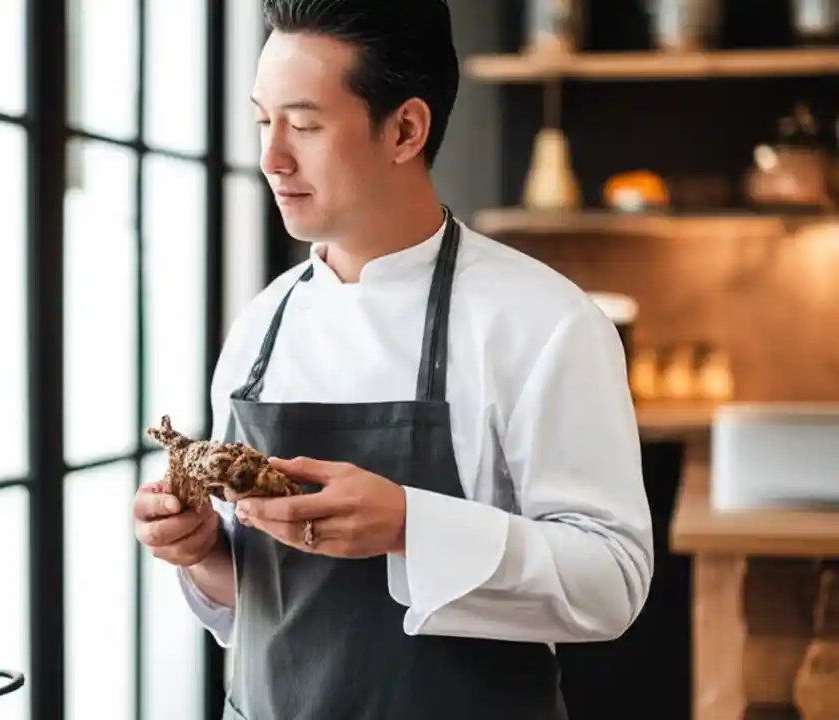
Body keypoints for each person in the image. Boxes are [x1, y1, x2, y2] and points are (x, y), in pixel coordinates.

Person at [131, 1, 654, 718]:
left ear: (405, 128)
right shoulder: (261, 325)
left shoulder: (545, 322)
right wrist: (203, 551)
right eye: (263, 120)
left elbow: (614, 582)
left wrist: (410, 523)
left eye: (305, 125)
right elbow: (266, 608)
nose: (271, 157)